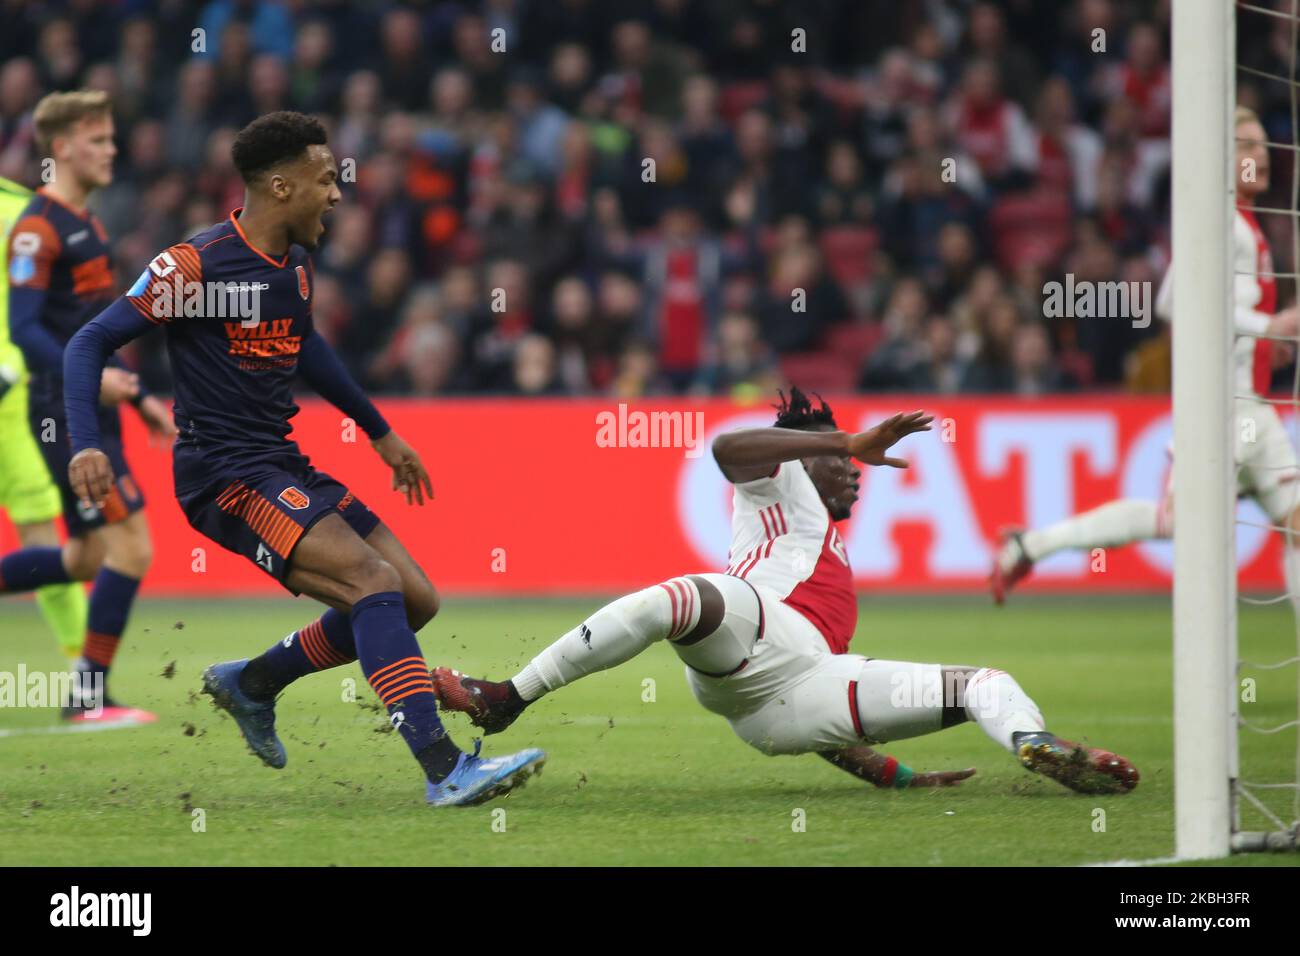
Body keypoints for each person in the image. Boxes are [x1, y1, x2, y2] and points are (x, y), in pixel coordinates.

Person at [62, 111, 544, 807]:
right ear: (282, 187)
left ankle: (252, 683)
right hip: (222, 475)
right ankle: (444, 768)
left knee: (414, 600)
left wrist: (378, 431)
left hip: (280, 462)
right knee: (372, 582)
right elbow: (88, 344)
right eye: (327, 180)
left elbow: (307, 346)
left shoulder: (294, 265)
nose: (339, 195)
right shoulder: (191, 266)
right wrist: (83, 443)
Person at [434, 389, 1138, 795]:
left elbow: (834, 720)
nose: (858, 475)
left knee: (984, 683)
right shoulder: (780, 481)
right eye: (844, 463)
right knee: (685, 597)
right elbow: (726, 451)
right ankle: (508, 697)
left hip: (781, 707)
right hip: (752, 631)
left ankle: (1039, 744)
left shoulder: (834, 563)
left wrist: (896, 777)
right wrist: (839, 443)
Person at [991, 106, 1300, 607]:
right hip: (1222, 409)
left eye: (1263, 145)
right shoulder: (1228, 226)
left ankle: (1031, 544)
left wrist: (1265, 343)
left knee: (1295, 522)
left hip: (1252, 405)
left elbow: (1179, 302)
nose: (1258, 155)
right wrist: (1268, 326)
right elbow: (1179, 305)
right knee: (1179, 522)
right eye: (1245, 145)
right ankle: (1033, 543)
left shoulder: (1243, 224)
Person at [2, 91, 172, 725]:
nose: (111, 150)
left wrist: (142, 396)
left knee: (86, 558)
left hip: (94, 406)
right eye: (98, 140)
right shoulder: (37, 229)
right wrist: (94, 381)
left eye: (110, 138)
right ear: (63, 147)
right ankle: (86, 697)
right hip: (63, 413)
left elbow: (97, 330)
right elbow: (25, 332)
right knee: (132, 548)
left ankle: (86, 695)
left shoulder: (88, 224)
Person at [0, 173, 88, 663]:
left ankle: (84, 677)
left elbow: (35, 307)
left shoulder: (20, 212)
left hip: (10, 409)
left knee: (43, 537)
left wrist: (11, 365)